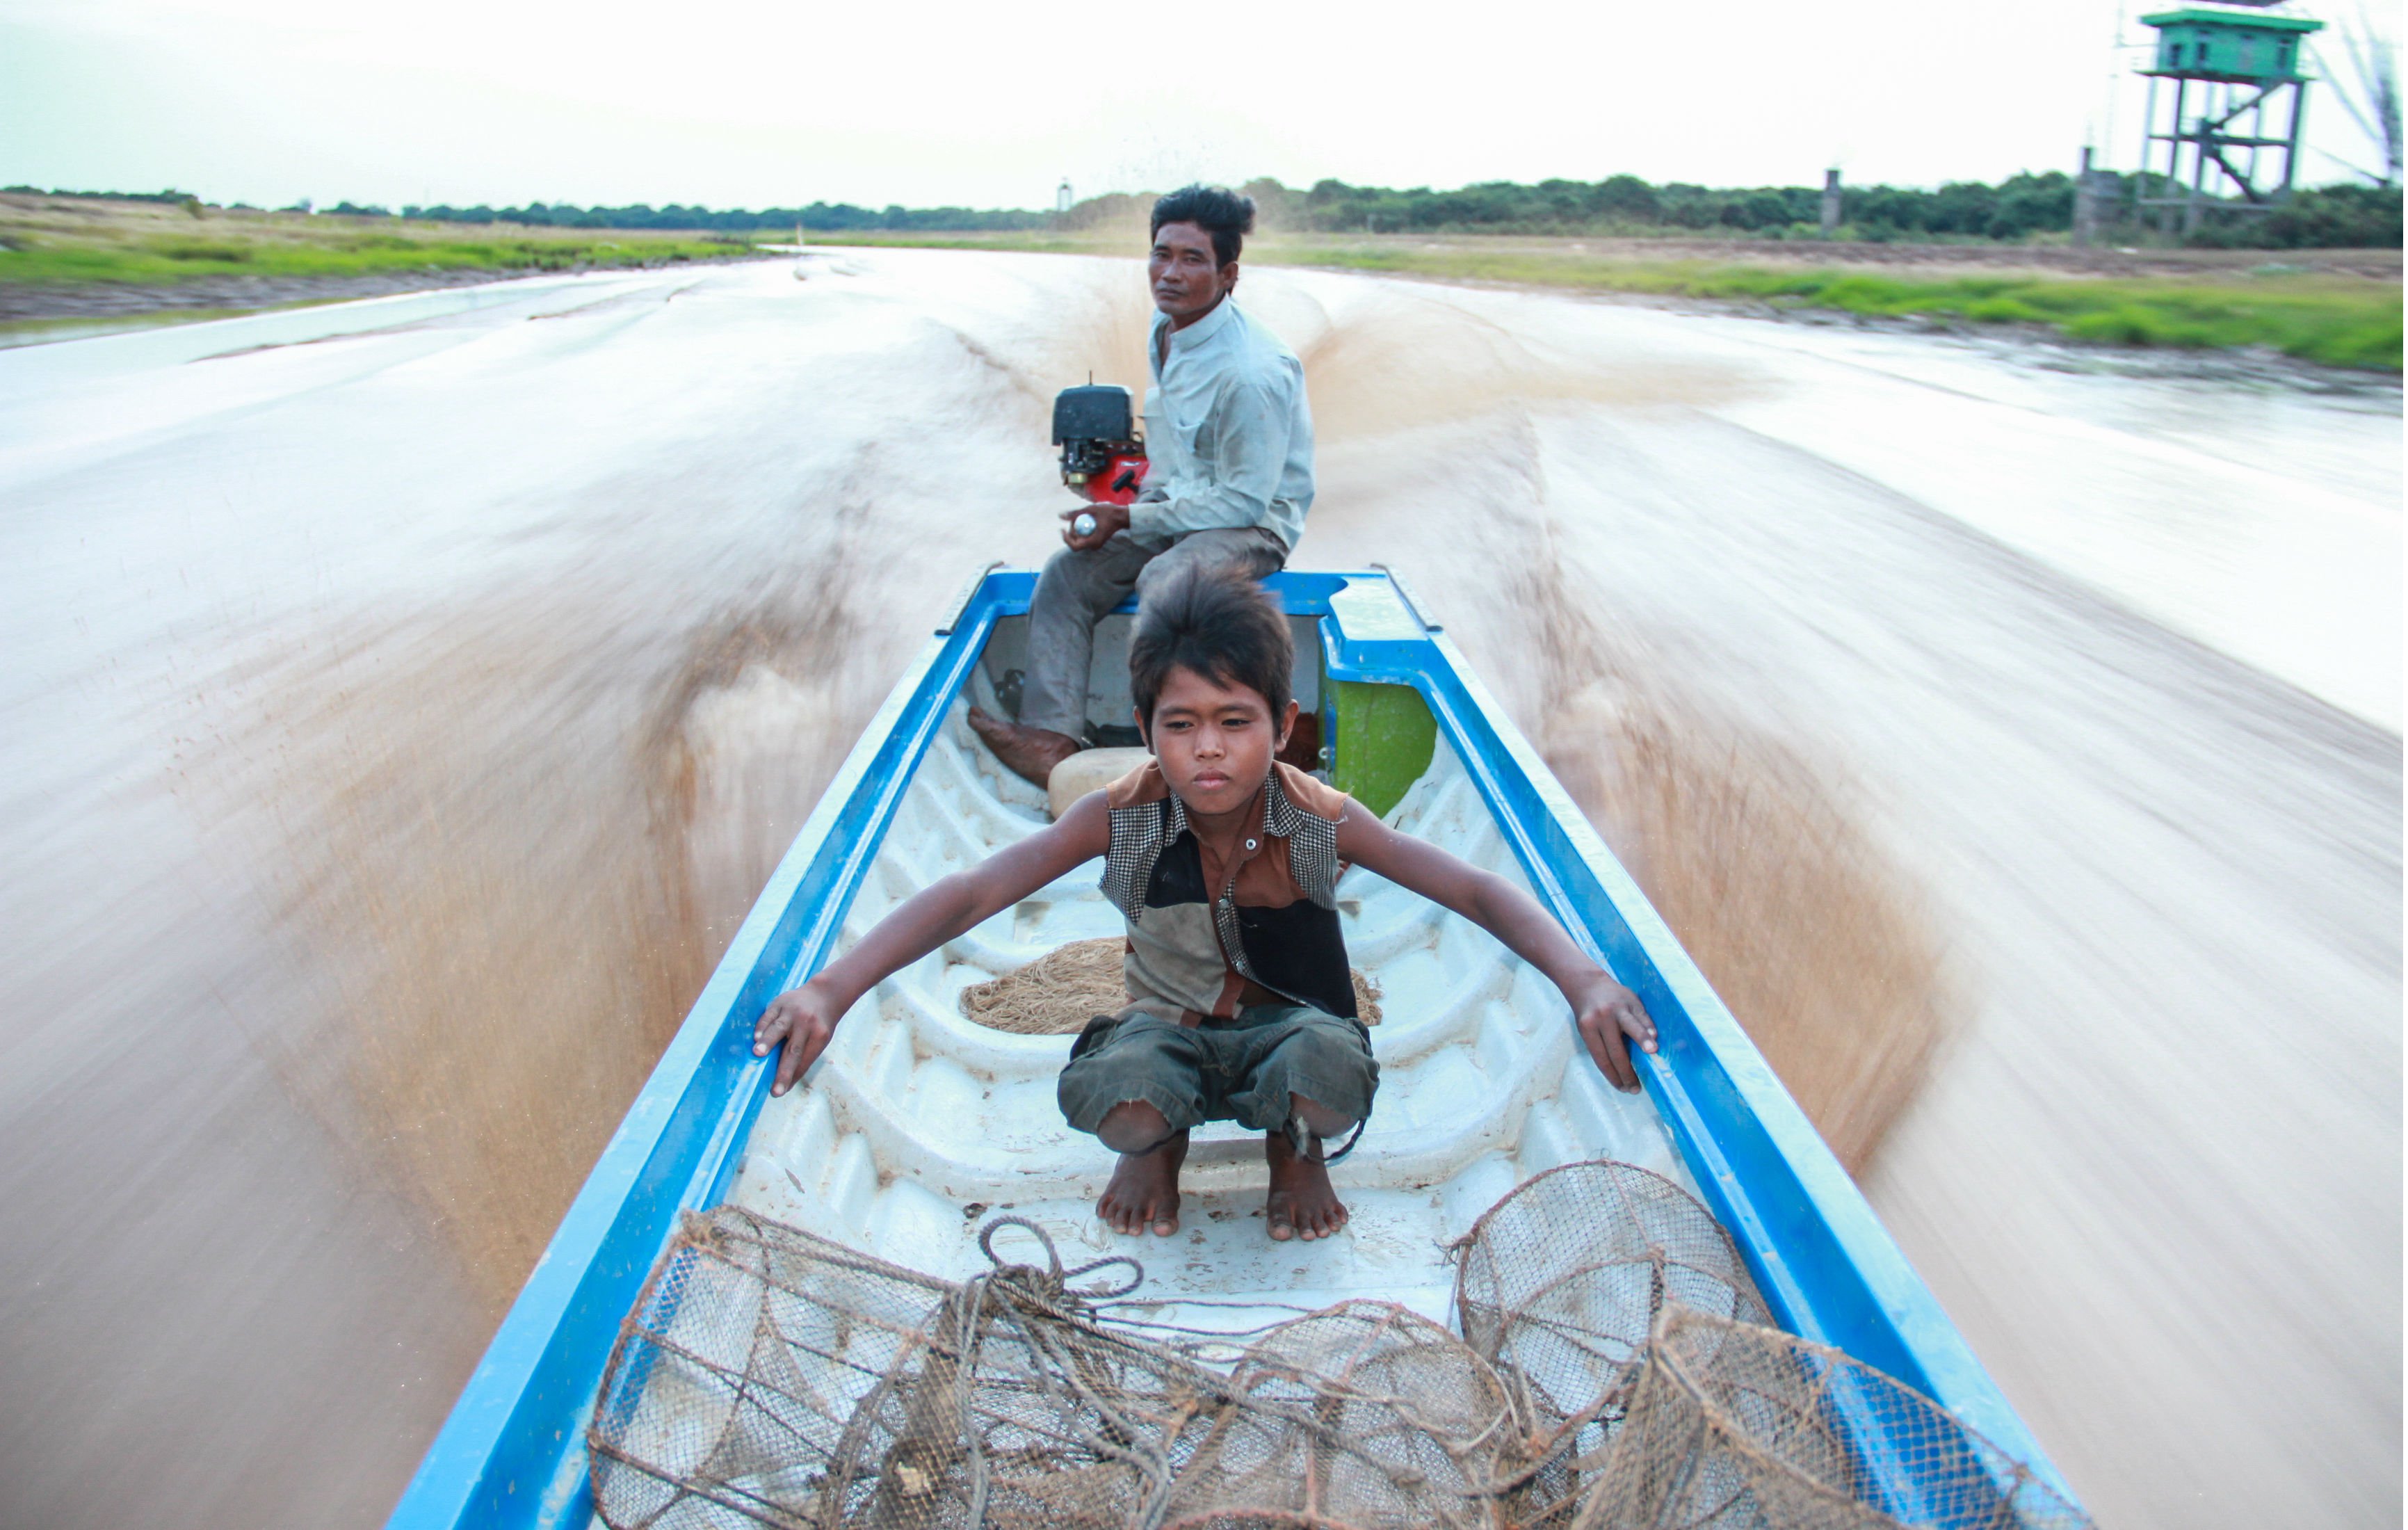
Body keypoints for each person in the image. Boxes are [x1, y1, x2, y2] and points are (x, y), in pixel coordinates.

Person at [753, 567, 1658, 1243]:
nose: (1207, 752)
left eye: (1235, 722)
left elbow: (1470, 886)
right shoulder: (1120, 814)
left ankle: (1292, 1151)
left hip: (1291, 1030)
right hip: (1168, 1029)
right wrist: (831, 989)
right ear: (1144, 731)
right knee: (1125, 1102)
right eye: (1179, 726)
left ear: (1284, 723)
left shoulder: (1316, 818)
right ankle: (1159, 1146)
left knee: (1324, 1074)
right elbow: (970, 891)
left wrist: (1581, 980)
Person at [969, 184, 1315, 787]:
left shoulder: (1253, 373)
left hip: (1252, 524)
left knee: (1165, 582)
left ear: (1228, 274)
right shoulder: (1166, 328)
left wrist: (1126, 519)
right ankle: (1053, 738)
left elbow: (1244, 500)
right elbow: (1177, 451)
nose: (1169, 273)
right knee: (1067, 573)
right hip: (1177, 503)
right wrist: (1125, 503)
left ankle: (1176, 752)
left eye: (1192, 260)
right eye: (1161, 254)